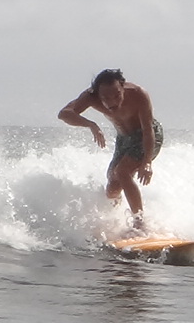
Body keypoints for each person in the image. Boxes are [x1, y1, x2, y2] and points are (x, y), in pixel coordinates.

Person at [59, 69, 162, 226]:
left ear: (122, 88)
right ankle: (115, 221)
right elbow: (64, 114)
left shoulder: (138, 94)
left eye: (116, 95)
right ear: (97, 94)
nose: (111, 102)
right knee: (112, 185)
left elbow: (148, 130)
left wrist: (147, 162)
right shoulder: (90, 97)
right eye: (105, 98)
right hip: (123, 138)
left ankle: (140, 223)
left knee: (122, 172)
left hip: (147, 135)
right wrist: (90, 124)